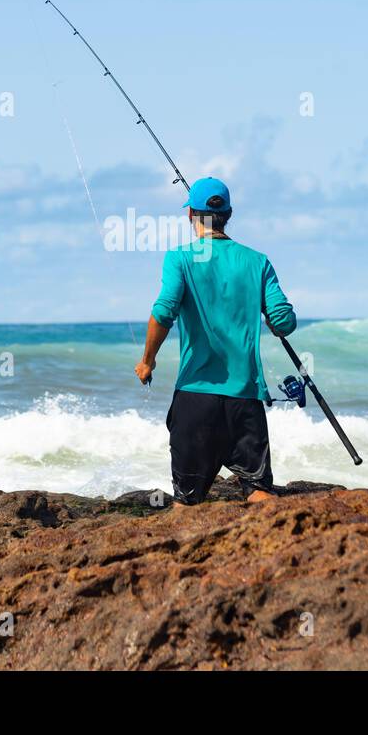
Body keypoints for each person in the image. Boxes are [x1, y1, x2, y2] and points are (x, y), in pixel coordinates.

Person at [134, 177, 297, 507]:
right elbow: (284, 322)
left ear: (190, 215)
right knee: (261, 496)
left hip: (195, 399)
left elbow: (164, 311)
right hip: (244, 399)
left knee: (187, 504)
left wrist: (148, 360)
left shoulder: (179, 258)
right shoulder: (258, 261)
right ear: (229, 214)